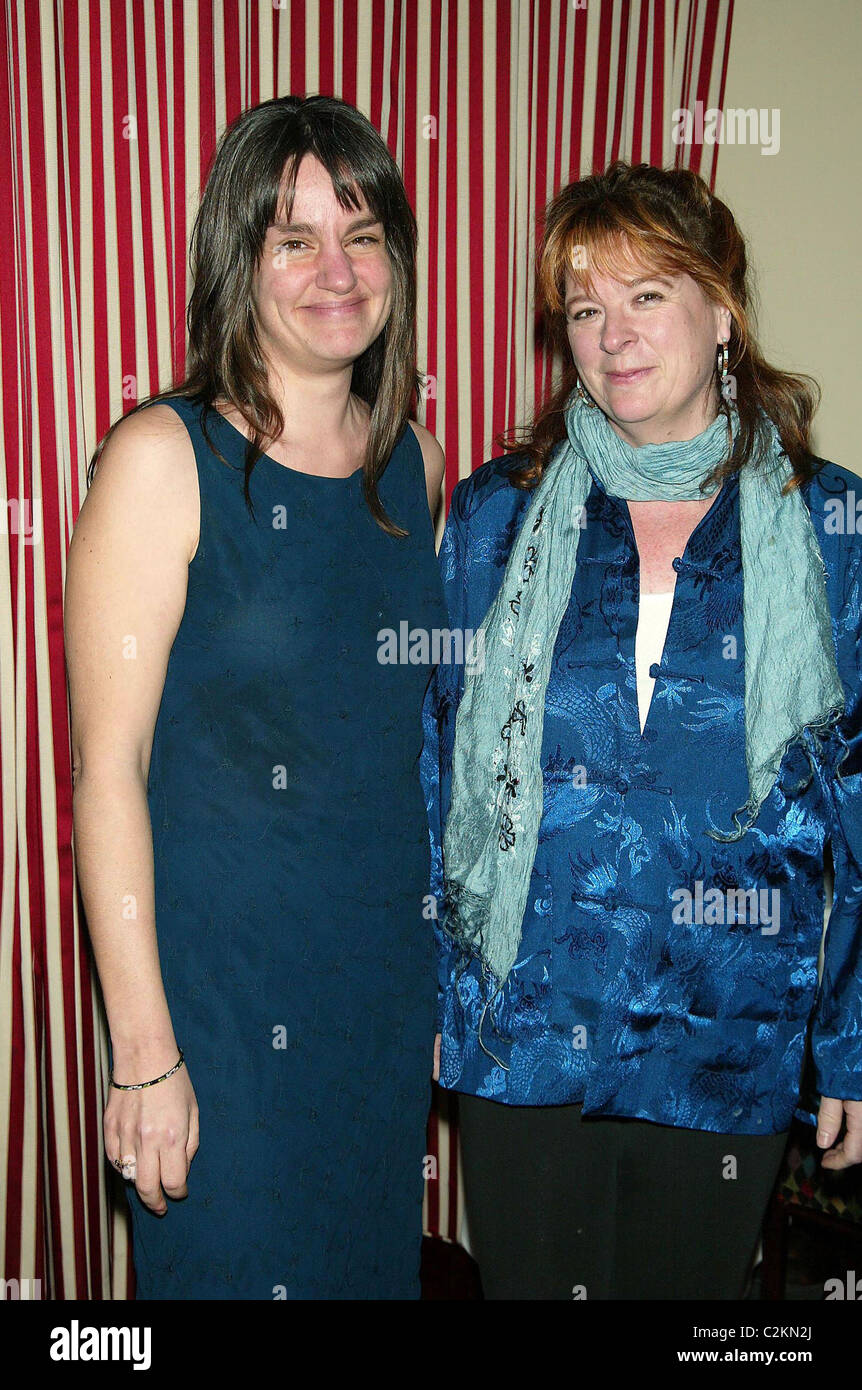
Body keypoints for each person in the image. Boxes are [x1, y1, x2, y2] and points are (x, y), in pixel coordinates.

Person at [423, 160, 862, 1300]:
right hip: (526, 1028)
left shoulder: (831, 529)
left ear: (722, 310)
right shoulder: (495, 515)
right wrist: (440, 994)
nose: (612, 334)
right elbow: (437, 767)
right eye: (583, 307)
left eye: (647, 295)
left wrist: (852, 1039)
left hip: (728, 1034)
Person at [64, 94, 447, 1299]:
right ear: (242, 259)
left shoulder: (414, 462)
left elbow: (405, 748)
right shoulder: (160, 459)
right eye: (295, 239)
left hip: (378, 1000)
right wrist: (142, 1054)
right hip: (217, 1019)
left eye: (364, 232)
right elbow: (107, 772)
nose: (338, 269)